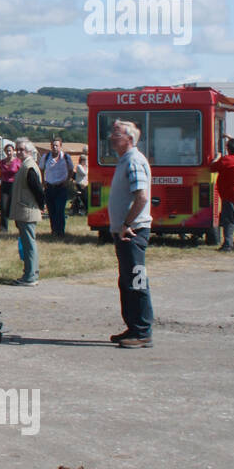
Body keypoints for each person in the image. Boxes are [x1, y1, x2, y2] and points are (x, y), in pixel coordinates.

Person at [107, 120, 154, 348]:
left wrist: (126, 223)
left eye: (116, 134)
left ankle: (143, 331)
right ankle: (133, 327)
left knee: (136, 280)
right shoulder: (125, 161)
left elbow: (142, 196)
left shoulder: (134, 160)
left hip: (133, 232)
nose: (111, 137)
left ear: (129, 139)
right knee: (127, 282)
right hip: (125, 232)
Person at [9, 138, 45, 286]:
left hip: (27, 210)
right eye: (17, 149)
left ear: (29, 151)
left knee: (29, 244)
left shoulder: (29, 166)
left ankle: (30, 276)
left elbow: (37, 189)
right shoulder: (25, 165)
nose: (18, 152)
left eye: (21, 149)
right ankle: (31, 273)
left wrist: (41, 206)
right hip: (25, 209)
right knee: (28, 243)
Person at [39, 138, 73, 236]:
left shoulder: (66, 157)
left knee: (60, 210)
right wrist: (43, 181)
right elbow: (41, 169)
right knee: (51, 210)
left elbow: (71, 170)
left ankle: (60, 231)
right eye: (53, 145)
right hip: (49, 187)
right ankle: (54, 230)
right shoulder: (46, 157)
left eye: (56, 145)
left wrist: (67, 181)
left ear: (60, 146)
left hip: (61, 187)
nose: (54, 147)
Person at [0, 143, 20, 232]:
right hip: (4, 185)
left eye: (10, 150)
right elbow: (1, 176)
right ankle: (3, 229)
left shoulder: (18, 161)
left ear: (13, 151)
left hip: (14, 185)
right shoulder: (2, 162)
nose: (9, 152)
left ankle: (19, 226)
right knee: (3, 207)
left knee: (15, 206)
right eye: (7, 151)